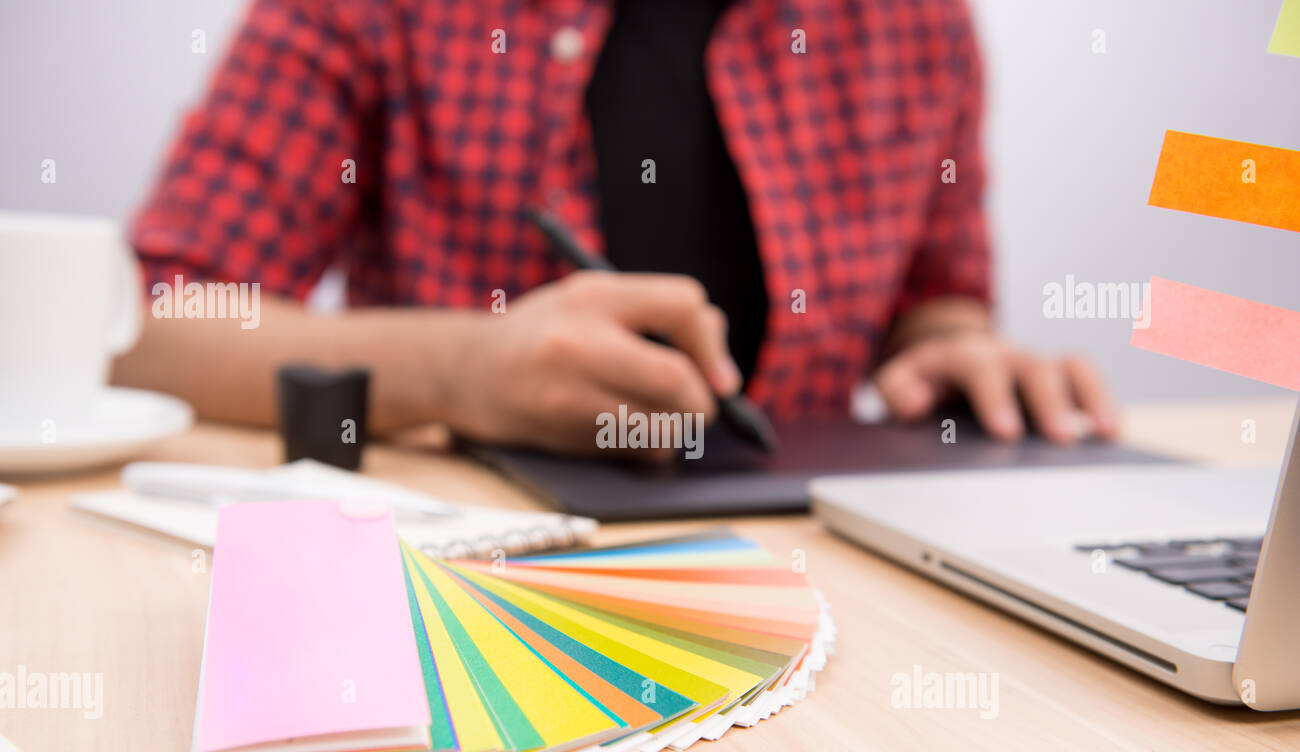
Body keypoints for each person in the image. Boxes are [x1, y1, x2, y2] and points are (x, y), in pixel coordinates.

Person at [114, 0, 1117, 456]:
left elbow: (936, 300)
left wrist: (954, 353)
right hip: (477, 572)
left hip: (827, 583)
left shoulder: (917, 20)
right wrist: (460, 373)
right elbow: (153, 327)